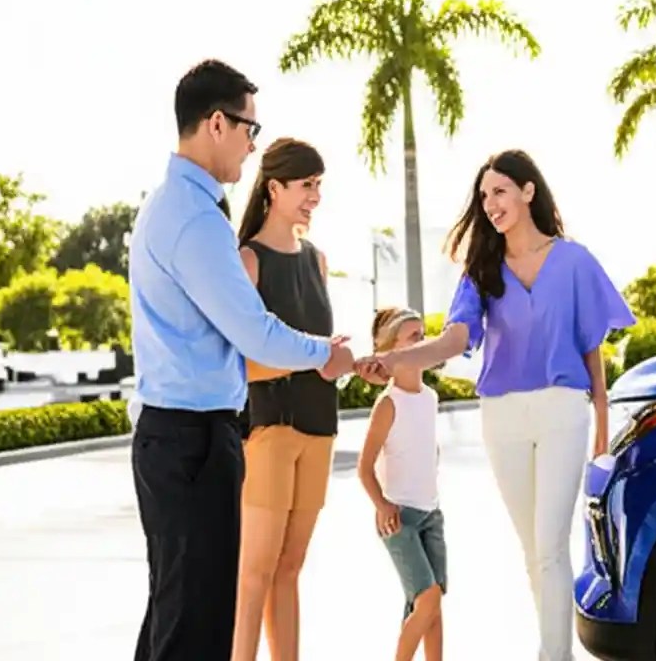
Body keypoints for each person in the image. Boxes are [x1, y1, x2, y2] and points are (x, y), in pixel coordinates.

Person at [365, 149, 635, 660]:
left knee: (551, 546)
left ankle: (552, 656)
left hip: (561, 408)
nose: (490, 204)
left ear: (528, 191)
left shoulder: (573, 260)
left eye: (499, 191)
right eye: (484, 196)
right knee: (535, 555)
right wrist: (395, 359)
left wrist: (602, 423)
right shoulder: (482, 270)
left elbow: (589, 344)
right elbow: (453, 340)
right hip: (502, 416)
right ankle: (556, 651)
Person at [128, 59, 356, 661]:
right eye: (250, 128)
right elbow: (253, 332)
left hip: (177, 437)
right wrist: (323, 355)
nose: (253, 145)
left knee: (175, 615)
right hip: (193, 444)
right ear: (216, 124)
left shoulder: (171, 206)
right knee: (196, 625)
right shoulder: (195, 218)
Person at [230, 138, 339, 661]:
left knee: (291, 568)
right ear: (274, 188)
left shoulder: (317, 262)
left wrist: (345, 362)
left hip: (319, 428)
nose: (315, 196)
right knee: (255, 573)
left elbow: (320, 350)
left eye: (319, 186)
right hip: (268, 430)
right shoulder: (247, 260)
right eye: (306, 185)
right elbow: (243, 363)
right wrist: (317, 358)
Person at [358, 307, 447, 661]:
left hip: (432, 513)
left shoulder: (430, 398)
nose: (422, 342)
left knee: (432, 604)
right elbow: (364, 467)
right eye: (414, 337)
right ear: (392, 349)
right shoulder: (387, 404)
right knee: (427, 600)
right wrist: (383, 505)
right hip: (400, 519)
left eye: (423, 335)